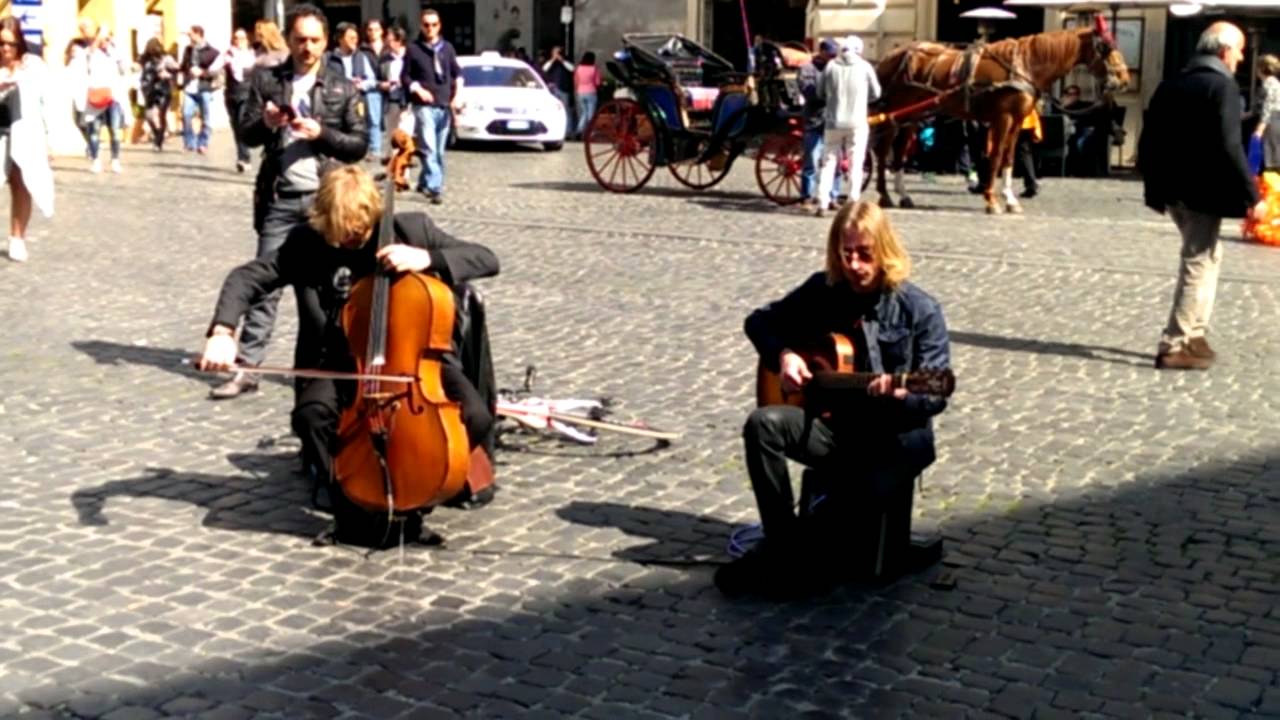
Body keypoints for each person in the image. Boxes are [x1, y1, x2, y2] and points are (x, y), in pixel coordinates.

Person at [196, 165, 499, 540]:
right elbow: (249, 277)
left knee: (477, 416)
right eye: (338, 235)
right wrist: (223, 331)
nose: (347, 243)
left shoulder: (412, 229)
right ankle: (353, 507)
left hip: (412, 363)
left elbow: (487, 258)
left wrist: (428, 259)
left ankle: (419, 491)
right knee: (311, 417)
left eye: (357, 234)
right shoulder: (307, 242)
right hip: (340, 362)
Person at [714, 201, 950, 599]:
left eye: (864, 254)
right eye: (847, 253)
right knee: (763, 426)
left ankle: (788, 558)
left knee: (850, 502)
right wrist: (784, 355)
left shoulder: (919, 310)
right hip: (833, 427)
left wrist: (901, 393)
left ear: (884, 251)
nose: (855, 265)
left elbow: (936, 392)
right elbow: (759, 322)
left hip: (893, 440)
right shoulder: (824, 291)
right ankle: (783, 542)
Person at [214, 3, 368, 399]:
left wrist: (322, 134)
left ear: (326, 41)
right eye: (300, 39)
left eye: (315, 40)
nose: (307, 47)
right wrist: (265, 123)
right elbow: (246, 134)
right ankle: (247, 368)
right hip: (281, 199)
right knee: (265, 284)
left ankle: (331, 369)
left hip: (325, 202)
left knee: (327, 292)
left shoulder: (341, 86)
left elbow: (359, 145)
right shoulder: (268, 80)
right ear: (290, 39)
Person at [1139, 21, 1264, 371]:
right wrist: (1254, 196)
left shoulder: (1172, 83)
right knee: (1197, 260)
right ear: (1225, 51)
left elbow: (1148, 142)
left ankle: (1196, 332)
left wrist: (1154, 189)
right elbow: (1229, 145)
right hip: (1204, 191)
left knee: (1209, 255)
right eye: (1239, 51)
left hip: (1175, 190)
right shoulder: (1221, 86)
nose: (1241, 58)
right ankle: (1174, 342)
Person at [0, 17, 54, 263]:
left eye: (11, 44)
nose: (6, 49)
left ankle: (17, 238)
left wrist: (49, 138)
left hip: (25, 132)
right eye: (1, 43)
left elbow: (48, 102)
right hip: (1, 131)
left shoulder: (33, 65)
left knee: (22, 184)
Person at [402, 8, 463, 205]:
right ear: (421, 26)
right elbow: (405, 76)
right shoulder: (413, 49)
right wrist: (418, 89)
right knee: (428, 147)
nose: (430, 28)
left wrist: (458, 95)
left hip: (443, 105)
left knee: (438, 150)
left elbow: (458, 74)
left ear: (439, 26)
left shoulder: (447, 48)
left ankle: (424, 181)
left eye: (434, 24)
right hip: (424, 106)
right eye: (426, 25)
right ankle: (435, 188)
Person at [815, 35, 880, 217]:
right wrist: (862, 99)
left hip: (833, 122)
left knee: (828, 163)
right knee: (856, 163)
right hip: (857, 122)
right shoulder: (865, 67)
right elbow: (877, 93)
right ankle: (853, 202)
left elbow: (820, 92)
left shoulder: (831, 66)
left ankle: (822, 202)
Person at [329, 22, 382, 159]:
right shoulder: (329, 58)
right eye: (350, 37)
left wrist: (362, 84)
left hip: (357, 101)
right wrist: (345, 83)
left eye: (356, 37)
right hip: (337, 102)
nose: (354, 40)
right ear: (340, 39)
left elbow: (372, 80)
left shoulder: (361, 57)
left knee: (359, 127)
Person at [1243, 54, 1280, 246]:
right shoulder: (1274, 83)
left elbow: (1266, 109)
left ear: (1261, 69)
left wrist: (1260, 128)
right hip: (1273, 122)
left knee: (1268, 162)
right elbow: (1257, 109)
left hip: (1272, 124)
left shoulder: (1269, 84)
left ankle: (1269, 206)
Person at [798, 39, 839, 208]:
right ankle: (806, 196)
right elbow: (809, 91)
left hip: (833, 120)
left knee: (835, 161)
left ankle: (833, 196)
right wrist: (829, 92)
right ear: (821, 52)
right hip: (814, 120)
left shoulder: (836, 69)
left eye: (834, 55)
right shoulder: (807, 69)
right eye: (830, 54)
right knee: (811, 160)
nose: (832, 58)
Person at [179, 25, 221, 155]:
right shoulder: (188, 50)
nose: (189, 37)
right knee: (186, 114)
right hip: (190, 87)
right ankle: (189, 142)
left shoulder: (212, 51)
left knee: (206, 117)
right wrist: (183, 72)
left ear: (198, 34)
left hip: (204, 87)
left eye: (190, 34)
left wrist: (202, 73)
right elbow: (183, 65)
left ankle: (203, 143)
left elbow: (217, 71)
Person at [223, 28, 257, 172]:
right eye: (236, 38)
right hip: (231, 94)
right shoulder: (227, 54)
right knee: (236, 127)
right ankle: (241, 156)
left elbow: (251, 70)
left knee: (243, 124)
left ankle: (244, 158)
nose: (239, 41)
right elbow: (213, 67)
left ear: (247, 40)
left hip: (246, 94)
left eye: (242, 38)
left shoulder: (251, 55)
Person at [138, 38, 179, 152]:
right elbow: (139, 69)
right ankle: (157, 134)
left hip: (163, 90)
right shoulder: (145, 59)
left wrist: (168, 74)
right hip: (149, 90)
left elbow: (176, 68)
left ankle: (159, 140)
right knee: (149, 115)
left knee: (161, 115)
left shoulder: (166, 59)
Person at [380, 26, 409, 140]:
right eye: (387, 40)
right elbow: (379, 77)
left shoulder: (410, 55)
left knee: (405, 132)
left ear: (399, 40)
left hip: (408, 98)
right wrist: (383, 84)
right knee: (392, 132)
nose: (388, 43)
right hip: (391, 98)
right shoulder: (385, 59)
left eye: (391, 40)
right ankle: (393, 156)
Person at [541, 46, 574, 135]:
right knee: (553, 110)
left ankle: (568, 131)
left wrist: (562, 60)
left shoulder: (566, 61)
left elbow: (572, 68)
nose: (557, 54)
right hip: (553, 89)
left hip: (564, 88)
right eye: (555, 52)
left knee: (566, 110)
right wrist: (552, 60)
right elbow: (544, 68)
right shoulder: (550, 62)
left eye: (558, 52)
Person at [572, 51, 601, 140]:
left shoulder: (578, 68)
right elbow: (597, 82)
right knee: (590, 114)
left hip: (580, 92)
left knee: (584, 113)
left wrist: (577, 91)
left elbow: (576, 81)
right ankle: (590, 132)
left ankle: (579, 130)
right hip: (591, 91)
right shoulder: (594, 68)